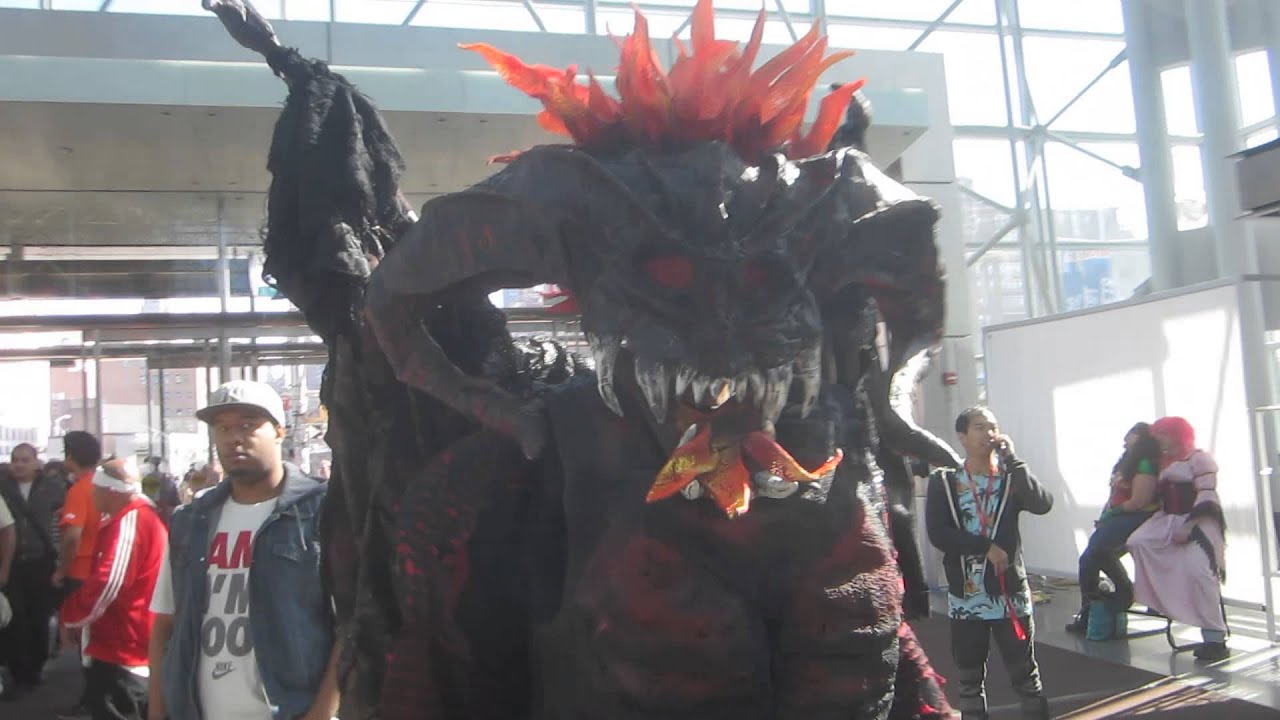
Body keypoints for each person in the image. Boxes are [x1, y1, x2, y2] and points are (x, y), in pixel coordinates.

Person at [148, 380, 341, 720]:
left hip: (290, 709)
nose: (233, 437)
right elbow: (166, 624)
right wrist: (157, 710)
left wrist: (321, 714)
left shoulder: (321, 512)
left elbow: (351, 626)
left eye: (248, 425)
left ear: (279, 431)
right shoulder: (191, 520)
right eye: (222, 428)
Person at [926, 407, 1054, 720]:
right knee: (969, 679)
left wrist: (1014, 460)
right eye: (979, 427)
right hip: (967, 596)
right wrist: (986, 547)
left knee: (1025, 674)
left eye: (993, 427)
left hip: (1008, 593)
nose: (988, 434)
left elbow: (1042, 504)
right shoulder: (944, 482)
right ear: (962, 436)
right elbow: (939, 534)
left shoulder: (1010, 479)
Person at [60, 458, 167, 720]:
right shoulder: (136, 518)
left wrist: (71, 617)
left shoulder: (131, 520)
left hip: (124, 648)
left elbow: (108, 583)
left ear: (110, 491)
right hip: (129, 645)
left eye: (96, 489)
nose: (92, 494)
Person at [1127, 416, 1230, 662]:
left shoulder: (1199, 458)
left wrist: (1190, 525)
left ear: (1176, 434)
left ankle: (1215, 638)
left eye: (1163, 433)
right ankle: (1162, 598)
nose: (1159, 438)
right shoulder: (1161, 462)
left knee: (1199, 573)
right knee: (1137, 542)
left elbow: (1207, 496)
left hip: (1198, 521)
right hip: (1168, 519)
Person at [1066, 423, 1160, 635]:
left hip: (1134, 517)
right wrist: (1105, 516)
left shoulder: (1145, 463)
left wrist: (1111, 514)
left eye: (1131, 434)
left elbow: (1139, 501)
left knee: (1098, 551)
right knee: (1088, 559)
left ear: (1140, 436)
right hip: (1117, 515)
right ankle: (1090, 611)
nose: (1125, 439)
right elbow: (1114, 496)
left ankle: (1124, 593)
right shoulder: (1126, 462)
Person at [0, 443, 66, 697]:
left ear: (36, 462)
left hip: (42, 561)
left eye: (24, 460)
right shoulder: (4, 487)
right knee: (16, 617)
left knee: (39, 616)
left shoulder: (52, 488)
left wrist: (61, 561)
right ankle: (20, 673)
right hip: (13, 562)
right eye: (15, 459)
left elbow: (62, 525)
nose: (19, 464)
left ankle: (36, 666)